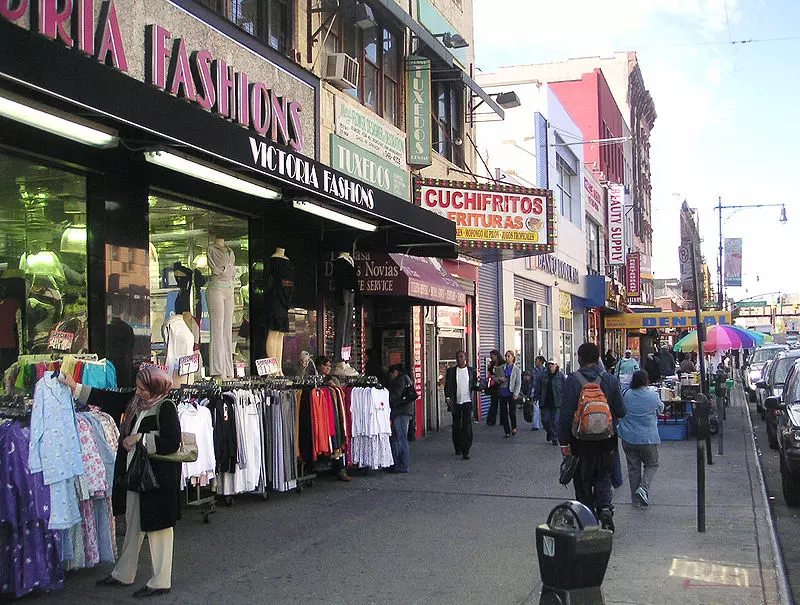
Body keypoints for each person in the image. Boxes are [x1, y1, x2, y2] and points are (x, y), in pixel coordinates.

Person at [59, 366, 180, 597]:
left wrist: (140, 439)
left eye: (143, 388)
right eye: (138, 387)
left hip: (157, 481)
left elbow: (171, 442)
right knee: (134, 526)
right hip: (137, 476)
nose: (139, 391)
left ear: (156, 387)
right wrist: (74, 387)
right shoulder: (137, 401)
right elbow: (108, 399)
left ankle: (160, 581)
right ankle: (123, 574)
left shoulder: (166, 407)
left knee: (159, 530)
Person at [559, 342, 626, 532]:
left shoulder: (572, 380)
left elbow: (565, 415)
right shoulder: (610, 380)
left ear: (579, 359)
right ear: (598, 359)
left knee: (582, 481)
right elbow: (621, 411)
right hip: (606, 441)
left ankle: (586, 519)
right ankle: (605, 508)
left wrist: (563, 441)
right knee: (603, 476)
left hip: (580, 442)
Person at [618, 370, 664, 507]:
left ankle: (635, 500)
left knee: (633, 468)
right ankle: (643, 488)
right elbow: (660, 409)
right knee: (652, 464)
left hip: (628, 437)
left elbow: (620, 411)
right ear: (646, 380)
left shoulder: (625, 394)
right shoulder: (653, 395)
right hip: (648, 438)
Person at [314, 355, 351, 481]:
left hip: (333, 412)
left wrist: (333, 386)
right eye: (326, 366)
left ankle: (340, 469)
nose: (328, 368)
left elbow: (340, 394)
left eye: (330, 366)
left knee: (336, 438)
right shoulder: (314, 379)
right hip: (321, 412)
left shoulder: (333, 379)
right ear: (319, 367)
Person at [444, 351, 480, 460]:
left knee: (466, 426)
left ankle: (466, 450)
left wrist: (482, 387)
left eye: (461, 357)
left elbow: (474, 385)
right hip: (456, 403)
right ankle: (457, 447)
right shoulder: (451, 371)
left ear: (465, 358)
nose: (458, 359)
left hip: (467, 402)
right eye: (457, 357)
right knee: (456, 426)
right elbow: (447, 386)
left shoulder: (471, 371)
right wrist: (448, 398)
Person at [387, 364, 414, 472]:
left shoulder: (400, 380)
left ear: (396, 372)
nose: (391, 376)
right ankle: (400, 464)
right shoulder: (406, 378)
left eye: (392, 373)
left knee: (400, 439)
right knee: (400, 438)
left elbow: (395, 395)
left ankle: (402, 465)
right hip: (404, 411)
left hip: (400, 412)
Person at [540, 360, 565, 445]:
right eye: (549, 364)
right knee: (545, 420)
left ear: (556, 365)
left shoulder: (560, 376)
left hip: (557, 402)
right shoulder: (543, 375)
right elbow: (538, 386)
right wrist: (536, 396)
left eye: (552, 364)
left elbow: (565, 389)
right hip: (545, 401)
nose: (550, 366)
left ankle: (554, 437)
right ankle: (549, 432)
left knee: (555, 421)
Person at [498, 350, 522, 438]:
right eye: (506, 356)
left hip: (511, 392)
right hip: (503, 392)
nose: (507, 358)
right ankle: (506, 431)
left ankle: (514, 427)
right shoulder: (501, 368)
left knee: (512, 411)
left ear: (513, 358)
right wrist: (499, 379)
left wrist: (516, 393)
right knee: (503, 413)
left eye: (509, 356)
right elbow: (495, 378)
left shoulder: (516, 370)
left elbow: (518, 382)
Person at [485, 349, 503, 426]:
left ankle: (503, 421)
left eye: (492, 356)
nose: (491, 358)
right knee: (493, 403)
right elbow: (489, 373)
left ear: (496, 355)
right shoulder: (492, 364)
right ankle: (491, 421)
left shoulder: (502, 363)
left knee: (502, 404)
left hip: (502, 385)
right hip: (494, 385)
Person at [530, 355, 547, 431]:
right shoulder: (534, 370)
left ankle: (545, 423)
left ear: (540, 362)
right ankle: (536, 425)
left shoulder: (545, 371)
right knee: (535, 409)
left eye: (536, 361)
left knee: (544, 408)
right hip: (535, 390)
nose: (535, 362)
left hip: (543, 391)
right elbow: (531, 381)